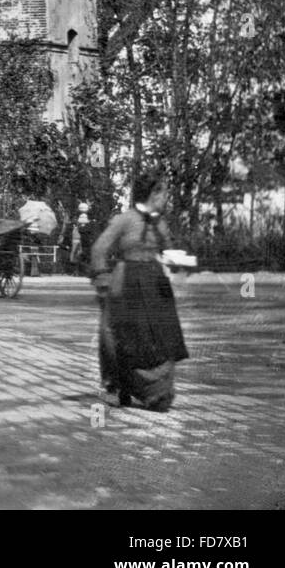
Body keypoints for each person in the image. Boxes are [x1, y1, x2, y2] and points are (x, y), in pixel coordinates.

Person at [88, 173, 189, 412]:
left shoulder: (160, 223)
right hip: (126, 280)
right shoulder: (124, 220)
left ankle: (154, 390)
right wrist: (102, 281)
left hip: (154, 281)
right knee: (114, 332)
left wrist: (180, 263)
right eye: (163, 192)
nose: (166, 198)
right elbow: (99, 248)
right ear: (152, 194)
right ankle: (113, 386)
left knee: (159, 334)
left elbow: (168, 251)